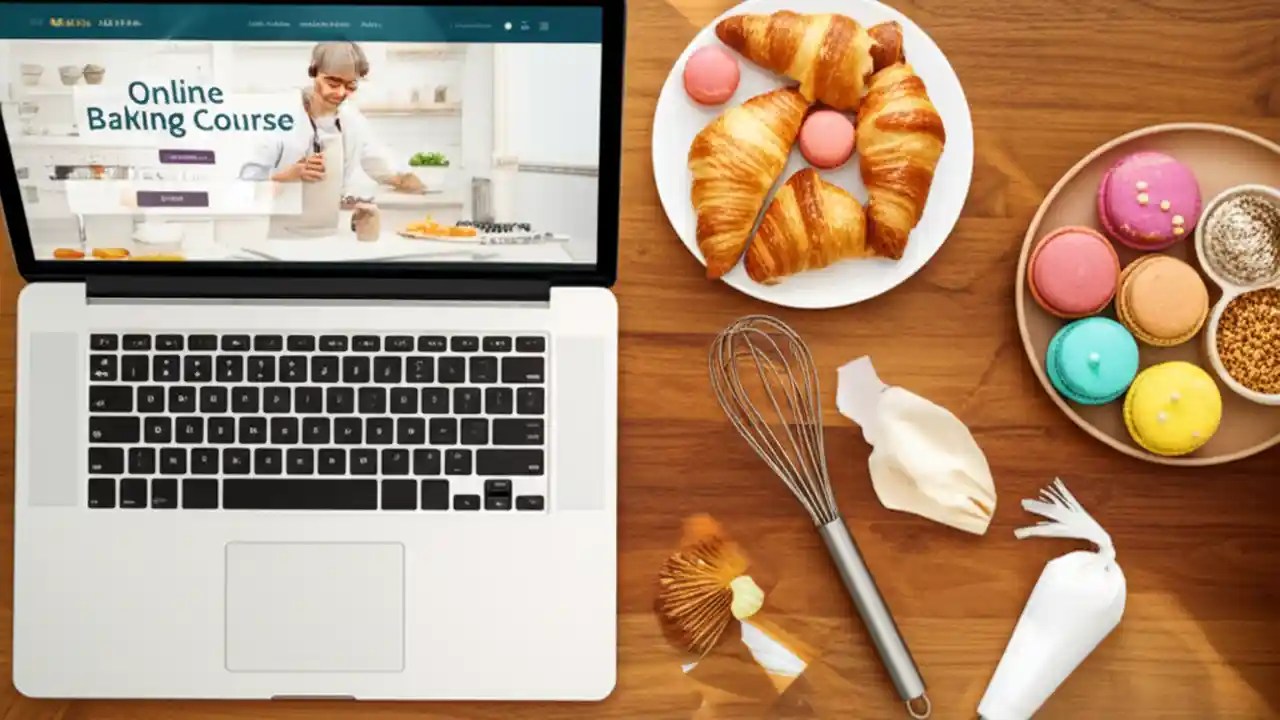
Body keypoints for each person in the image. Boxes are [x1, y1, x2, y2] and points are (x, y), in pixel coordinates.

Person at [238, 41, 423, 234]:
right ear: (314, 73)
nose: (341, 93)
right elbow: (245, 187)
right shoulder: (279, 116)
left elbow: (382, 164)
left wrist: (413, 181)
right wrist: (288, 176)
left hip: (327, 231)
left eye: (350, 86)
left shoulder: (351, 120)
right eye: (332, 83)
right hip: (277, 233)